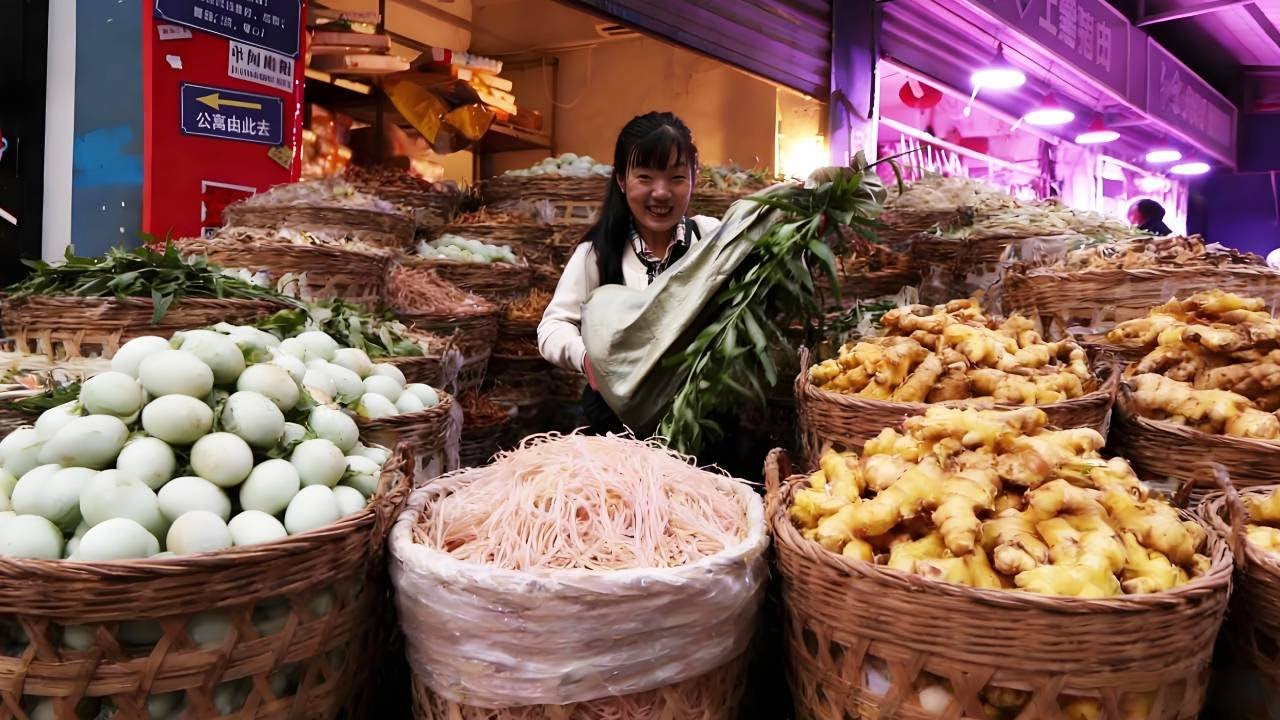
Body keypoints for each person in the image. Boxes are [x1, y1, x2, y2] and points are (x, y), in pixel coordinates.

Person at [538, 112, 721, 434]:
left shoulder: (710, 239)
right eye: (645, 177)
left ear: (694, 176)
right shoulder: (598, 254)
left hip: (698, 422)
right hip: (612, 426)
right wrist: (586, 359)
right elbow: (554, 325)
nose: (661, 192)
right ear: (622, 180)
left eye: (676, 178)